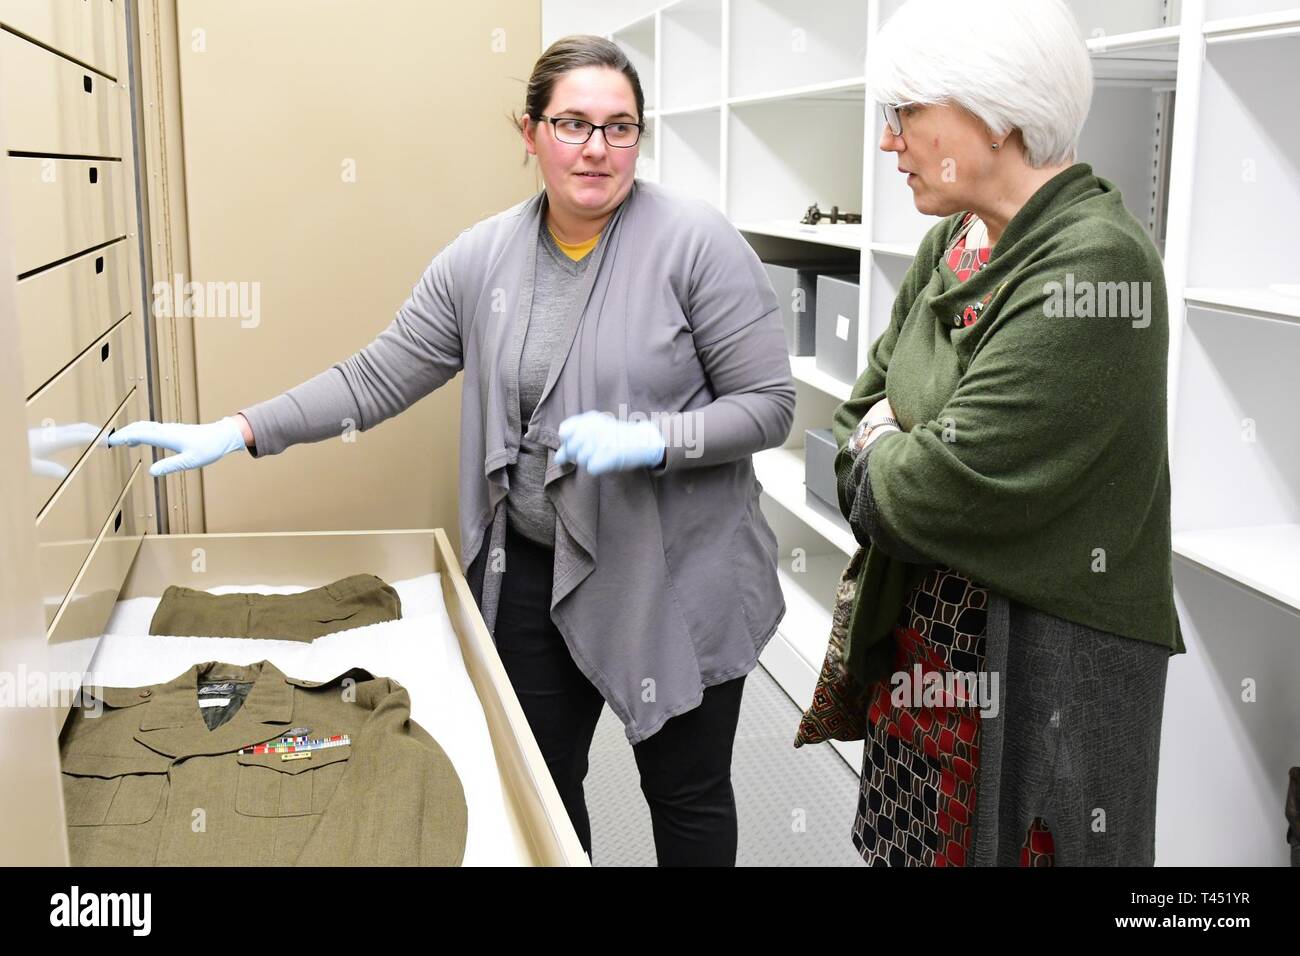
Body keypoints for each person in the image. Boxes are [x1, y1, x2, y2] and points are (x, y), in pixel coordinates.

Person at [110, 35, 795, 866]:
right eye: (573, 123)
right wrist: (243, 428)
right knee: (542, 781)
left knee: (684, 795)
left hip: (678, 572)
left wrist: (656, 440)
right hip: (537, 573)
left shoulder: (695, 242)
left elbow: (769, 407)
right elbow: (375, 376)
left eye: (620, 128)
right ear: (530, 131)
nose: (596, 148)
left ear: (639, 138)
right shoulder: (484, 259)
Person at [829, 0, 1184, 866]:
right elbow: (851, 422)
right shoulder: (958, 240)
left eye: (905, 112)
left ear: (995, 115)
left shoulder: (1094, 264)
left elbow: (927, 489)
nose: (888, 142)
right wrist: (884, 442)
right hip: (931, 649)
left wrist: (890, 443)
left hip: (1041, 668)